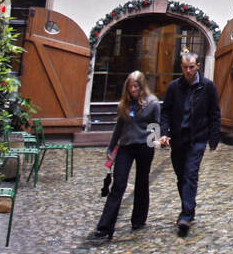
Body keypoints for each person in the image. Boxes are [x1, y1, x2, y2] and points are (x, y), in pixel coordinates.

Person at [158, 51, 220, 236]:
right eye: (185, 67)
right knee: (181, 176)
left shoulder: (208, 87)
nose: (188, 71)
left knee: (191, 174)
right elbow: (165, 112)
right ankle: (189, 209)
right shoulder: (174, 87)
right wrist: (164, 133)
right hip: (178, 138)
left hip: (197, 138)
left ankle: (185, 214)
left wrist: (213, 138)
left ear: (198, 66)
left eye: (191, 67)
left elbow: (214, 113)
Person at [93, 71, 160, 239]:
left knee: (142, 182)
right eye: (130, 86)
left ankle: (138, 219)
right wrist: (111, 148)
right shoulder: (125, 104)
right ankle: (105, 225)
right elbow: (119, 127)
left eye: (136, 86)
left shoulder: (152, 103)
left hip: (144, 146)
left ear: (142, 86)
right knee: (119, 184)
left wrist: (154, 144)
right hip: (126, 146)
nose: (133, 90)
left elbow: (155, 124)